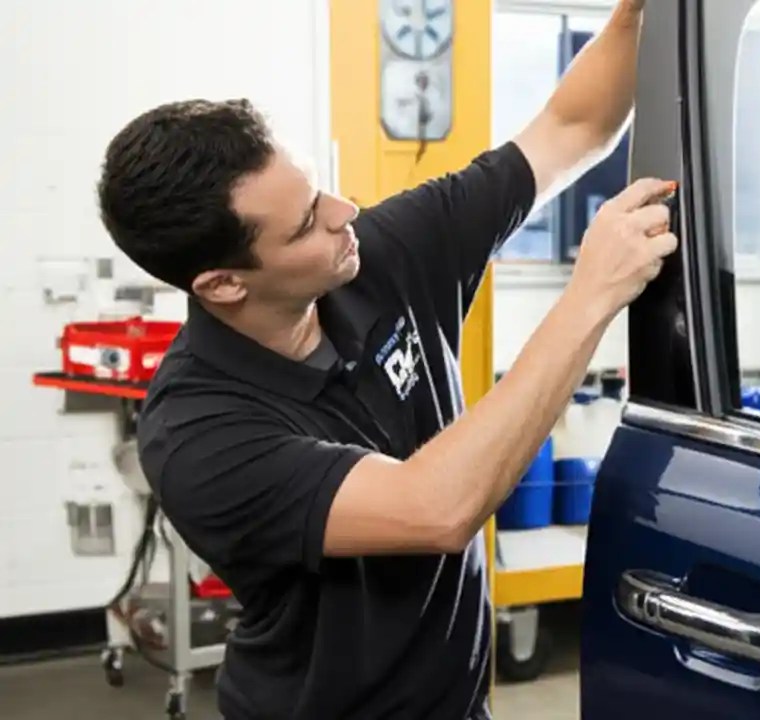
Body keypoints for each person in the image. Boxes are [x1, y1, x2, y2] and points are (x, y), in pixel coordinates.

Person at [94, 2, 673, 717]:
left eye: (315, 186)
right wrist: (589, 298)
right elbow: (437, 508)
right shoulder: (199, 435)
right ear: (224, 284)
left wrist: (638, 14)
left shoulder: (374, 254)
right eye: (307, 221)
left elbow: (570, 128)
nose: (345, 209)